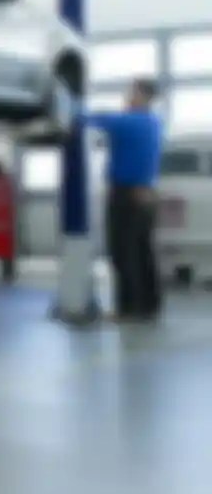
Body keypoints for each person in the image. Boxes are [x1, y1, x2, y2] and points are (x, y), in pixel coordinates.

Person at [85, 78, 165, 321]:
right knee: (143, 251)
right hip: (147, 194)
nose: (127, 96)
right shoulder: (154, 122)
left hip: (126, 194)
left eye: (131, 92)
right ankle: (149, 306)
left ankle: (128, 309)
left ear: (143, 95)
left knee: (122, 251)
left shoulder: (129, 121)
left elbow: (87, 119)